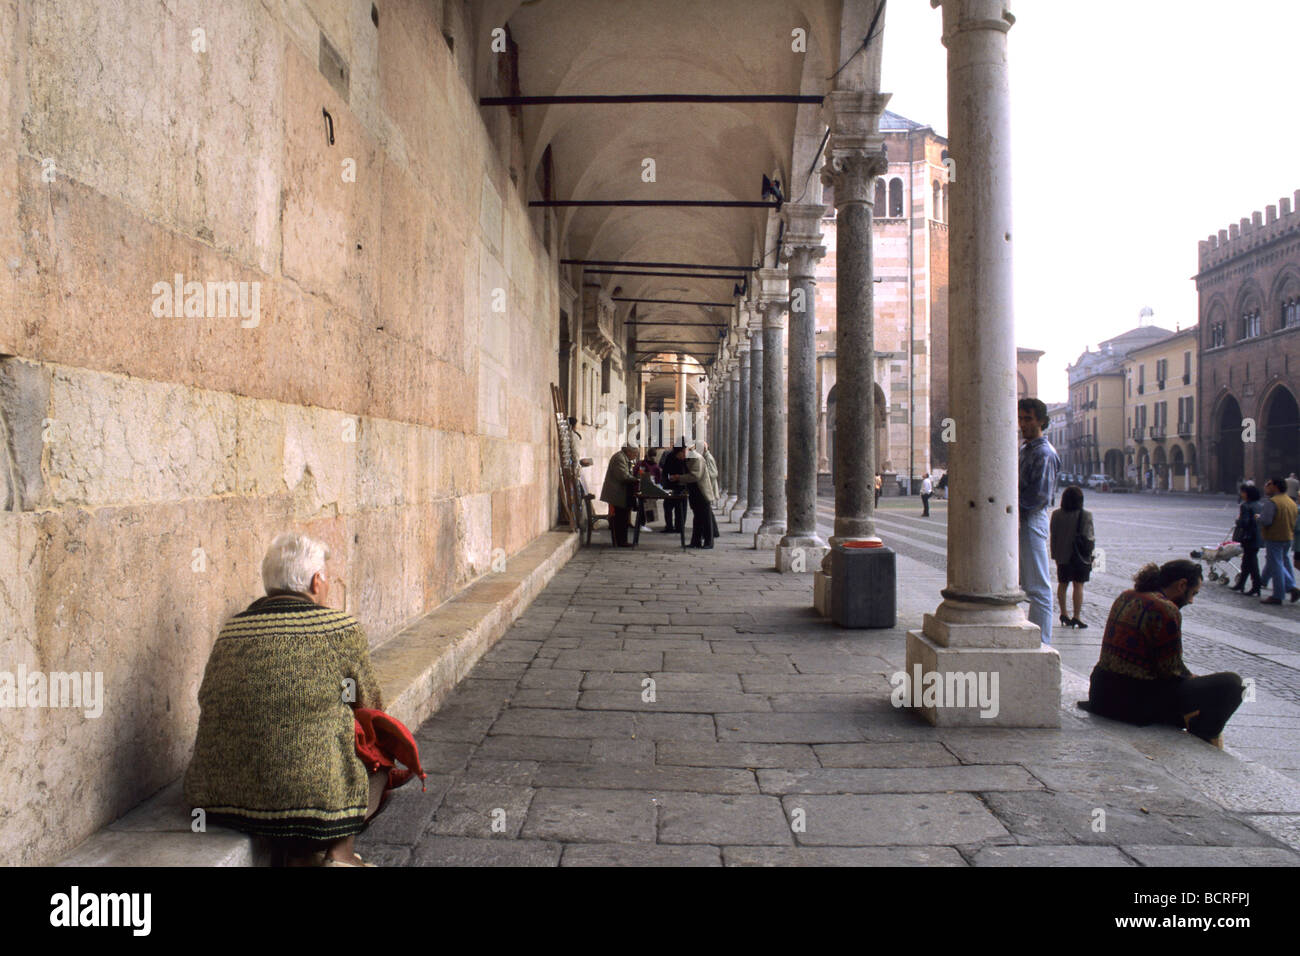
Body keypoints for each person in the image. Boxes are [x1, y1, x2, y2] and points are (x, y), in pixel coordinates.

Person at [184, 532, 389, 866]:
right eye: (326, 579)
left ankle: (300, 857)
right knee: (377, 748)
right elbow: (370, 706)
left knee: (291, 755)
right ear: (315, 581)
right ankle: (340, 854)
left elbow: (208, 698)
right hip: (306, 797)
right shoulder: (339, 627)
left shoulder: (231, 629)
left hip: (217, 796)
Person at [1082, 560, 1242, 749]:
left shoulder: (1126, 595)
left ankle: (1199, 725)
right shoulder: (1165, 608)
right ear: (1182, 585)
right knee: (1232, 683)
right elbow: (1170, 671)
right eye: (1193, 594)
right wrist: (1192, 680)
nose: (1191, 601)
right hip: (1133, 704)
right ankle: (1205, 733)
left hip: (1101, 694)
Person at [1018, 398, 1062, 644]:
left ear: (1042, 421)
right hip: (1023, 519)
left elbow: (1039, 496)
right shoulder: (1027, 449)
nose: (1023, 424)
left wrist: (1011, 510)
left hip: (1031, 520)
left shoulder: (1044, 453)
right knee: (1029, 584)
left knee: (1039, 588)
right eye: (1021, 418)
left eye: (1028, 419)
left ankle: (1042, 643)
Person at [1050, 484, 1094, 629]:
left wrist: (1055, 554)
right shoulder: (1086, 515)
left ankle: (1063, 613)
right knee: (1078, 585)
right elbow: (1089, 537)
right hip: (1079, 556)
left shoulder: (1056, 514)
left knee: (1063, 584)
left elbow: (1053, 535)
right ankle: (1076, 616)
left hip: (1062, 556)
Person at [1258, 476, 1299, 604]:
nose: (1266, 486)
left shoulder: (1272, 502)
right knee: (1282, 562)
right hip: (1288, 537)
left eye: (1269, 484)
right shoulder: (1291, 502)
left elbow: (1266, 521)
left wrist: (1257, 518)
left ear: (1275, 486)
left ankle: (1280, 594)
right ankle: (1288, 587)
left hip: (1274, 537)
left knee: (1277, 565)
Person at [672, 440, 716, 548]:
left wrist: (679, 477)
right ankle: (695, 541)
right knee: (697, 518)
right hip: (694, 492)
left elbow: (695, 476)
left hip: (701, 491)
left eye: (679, 454)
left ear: (683, 451)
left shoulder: (696, 458)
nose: (678, 457)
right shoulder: (688, 459)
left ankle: (708, 542)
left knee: (705, 518)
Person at [599, 442, 638, 547]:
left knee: (623, 518)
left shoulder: (623, 458)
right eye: (635, 454)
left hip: (621, 494)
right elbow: (623, 476)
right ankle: (619, 541)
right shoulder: (619, 458)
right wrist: (637, 479)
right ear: (629, 451)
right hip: (617, 494)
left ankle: (622, 540)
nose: (635, 456)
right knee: (620, 518)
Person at [1229, 483, 1264, 596]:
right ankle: (1242, 583)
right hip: (1258, 536)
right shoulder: (1260, 505)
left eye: (1243, 492)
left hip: (1248, 537)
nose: (1241, 494)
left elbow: (1244, 522)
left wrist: (1237, 521)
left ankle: (1256, 585)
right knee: (1247, 561)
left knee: (1251, 562)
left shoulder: (1245, 506)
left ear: (1247, 494)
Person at [696, 439, 722, 540]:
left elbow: (714, 473)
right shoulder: (705, 457)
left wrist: (703, 474)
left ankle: (713, 532)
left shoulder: (708, 458)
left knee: (707, 512)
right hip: (707, 486)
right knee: (708, 512)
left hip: (708, 487)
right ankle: (714, 531)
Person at [659, 443, 688, 532]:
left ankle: (679, 527)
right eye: (683, 451)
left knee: (680, 508)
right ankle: (669, 526)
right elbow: (665, 471)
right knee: (668, 506)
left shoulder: (684, 459)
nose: (684, 453)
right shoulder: (670, 457)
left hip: (681, 486)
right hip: (671, 486)